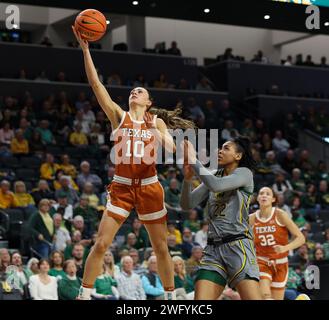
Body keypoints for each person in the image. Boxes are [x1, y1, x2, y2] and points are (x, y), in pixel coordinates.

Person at [72, 25, 194, 300]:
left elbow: (171, 147)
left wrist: (165, 139)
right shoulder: (119, 116)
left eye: (140, 91)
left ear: (149, 102)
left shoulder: (156, 121)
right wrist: (86, 50)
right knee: (102, 243)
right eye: (132, 91)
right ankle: (85, 293)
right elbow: (96, 85)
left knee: (161, 248)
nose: (134, 93)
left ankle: (170, 296)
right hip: (123, 187)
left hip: (150, 187)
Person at [180, 136, 262, 300]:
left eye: (226, 148)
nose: (220, 151)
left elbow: (216, 185)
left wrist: (193, 159)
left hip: (237, 246)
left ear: (238, 156)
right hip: (213, 250)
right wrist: (188, 179)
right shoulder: (215, 174)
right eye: (220, 147)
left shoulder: (244, 173)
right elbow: (187, 204)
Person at [249, 187, 305, 300]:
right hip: (262, 261)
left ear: (273, 199)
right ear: (258, 198)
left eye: (268, 194)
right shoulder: (252, 218)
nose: (264, 195)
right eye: (261, 193)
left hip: (281, 263)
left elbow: (301, 238)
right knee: (265, 296)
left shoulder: (280, 214)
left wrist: (285, 248)